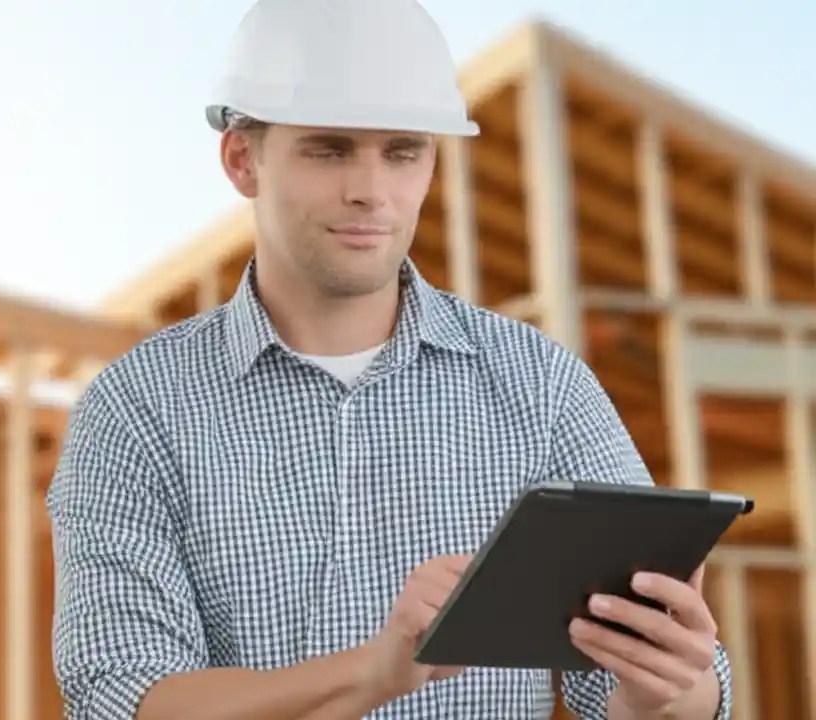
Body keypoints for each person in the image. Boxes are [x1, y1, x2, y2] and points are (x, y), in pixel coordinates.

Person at [45, 0, 733, 717]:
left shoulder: (543, 386)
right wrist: (372, 673)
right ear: (243, 159)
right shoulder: (135, 409)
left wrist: (669, 684)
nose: (371, 190)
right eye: (330, 148)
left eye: (403, 151)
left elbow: (651, 695)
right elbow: (121, 697)